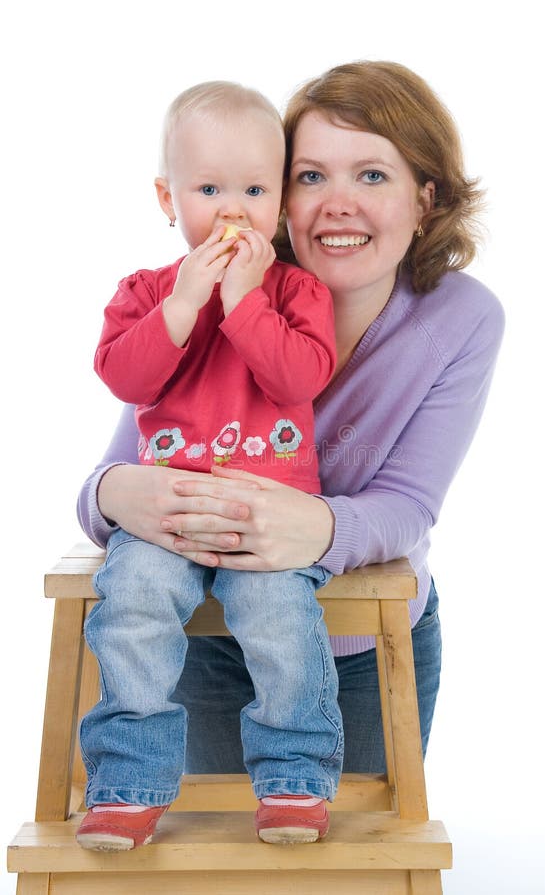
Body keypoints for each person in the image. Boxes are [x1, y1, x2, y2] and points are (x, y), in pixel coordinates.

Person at [78, 58, 504, 836]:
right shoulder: (197, 292)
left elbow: (409, 504)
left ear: (427, 195)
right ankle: (129, 779)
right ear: (283, 195)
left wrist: (317, 527)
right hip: (204, 637)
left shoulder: (459, 317)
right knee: (220, 874)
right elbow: (133, 445)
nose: (337, 203)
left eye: (373, 174)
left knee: (341, 868)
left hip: (359, 643)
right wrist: (111, 497)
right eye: (311, 174)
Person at [76, 81, 342, 853]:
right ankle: (127, 787)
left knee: (279, 621)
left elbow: (296, 380)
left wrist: (246, 300)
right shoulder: (147, 292)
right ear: (168, 197)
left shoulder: (296, 291)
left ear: (283, 198)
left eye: (256, 190)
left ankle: (295, 778)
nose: (235, 210)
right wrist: (185, 305)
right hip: (166, 517)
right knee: (130, 604)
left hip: (267, 523)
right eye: (210, 189)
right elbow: (127, 379)